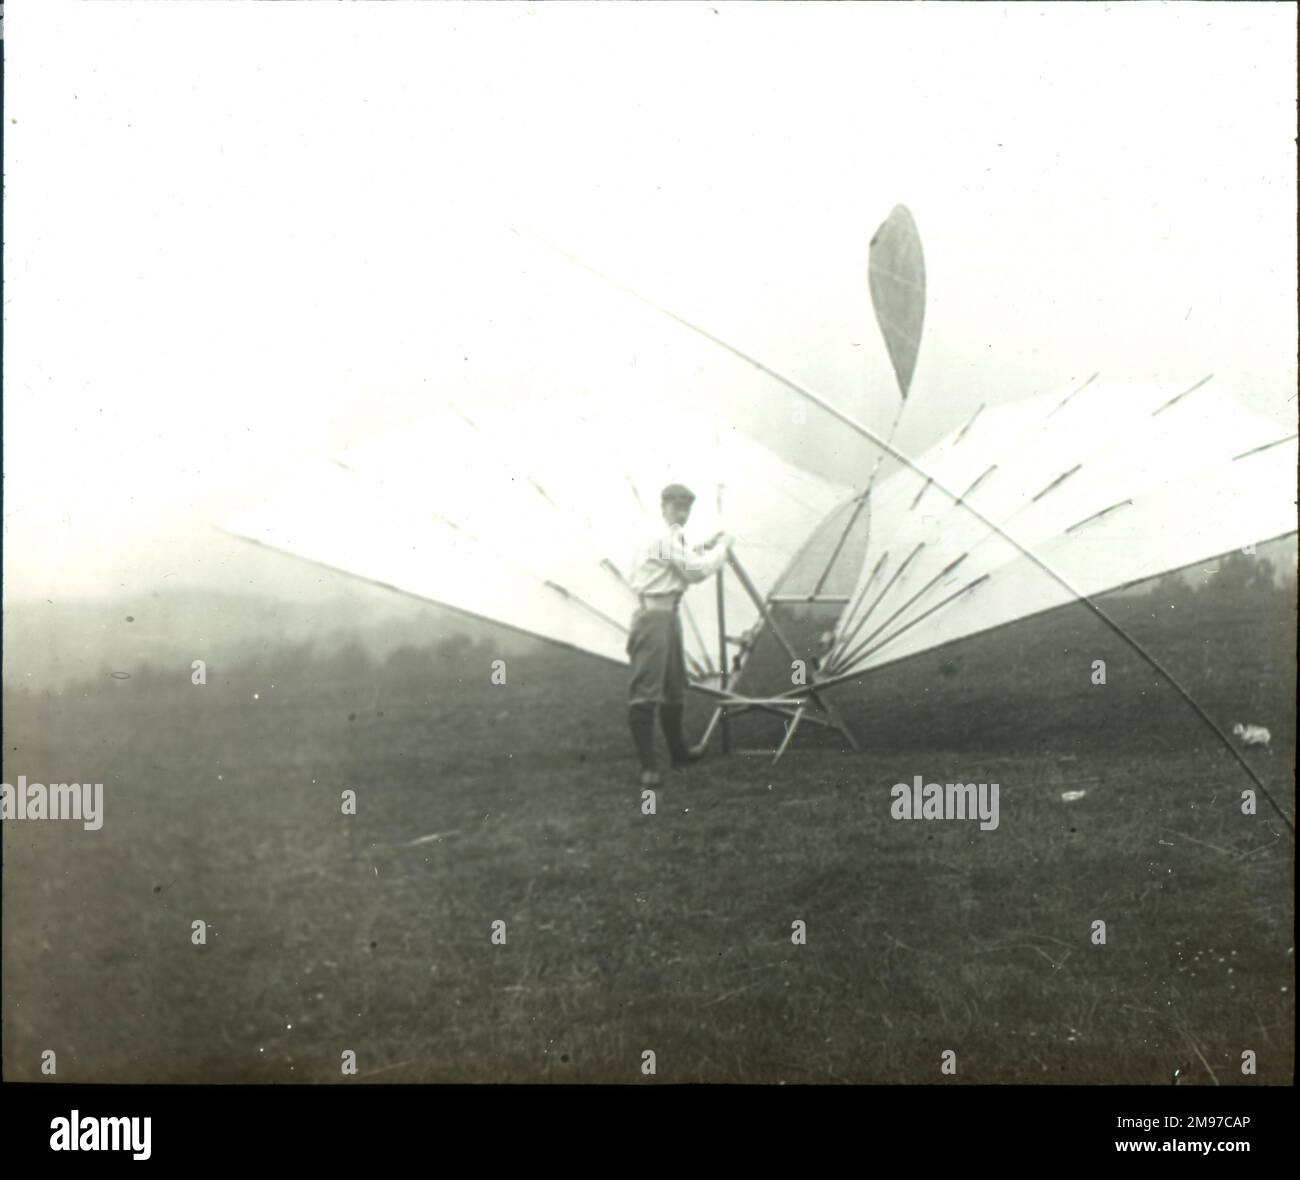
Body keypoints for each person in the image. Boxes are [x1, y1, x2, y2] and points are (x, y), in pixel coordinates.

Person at [626, 483, 733, 786]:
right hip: (654, 618)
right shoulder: (661, 537)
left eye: (686, 509)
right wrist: (723, 548)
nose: (682, 514)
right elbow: (695, 572)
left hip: (668, 616)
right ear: (664, 507)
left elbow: (680, 560)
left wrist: (706, 546)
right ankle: (648, 767)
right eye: (676, 508)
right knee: (646, 690)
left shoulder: (668, 538)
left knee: (674, 687)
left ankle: (679, 753)